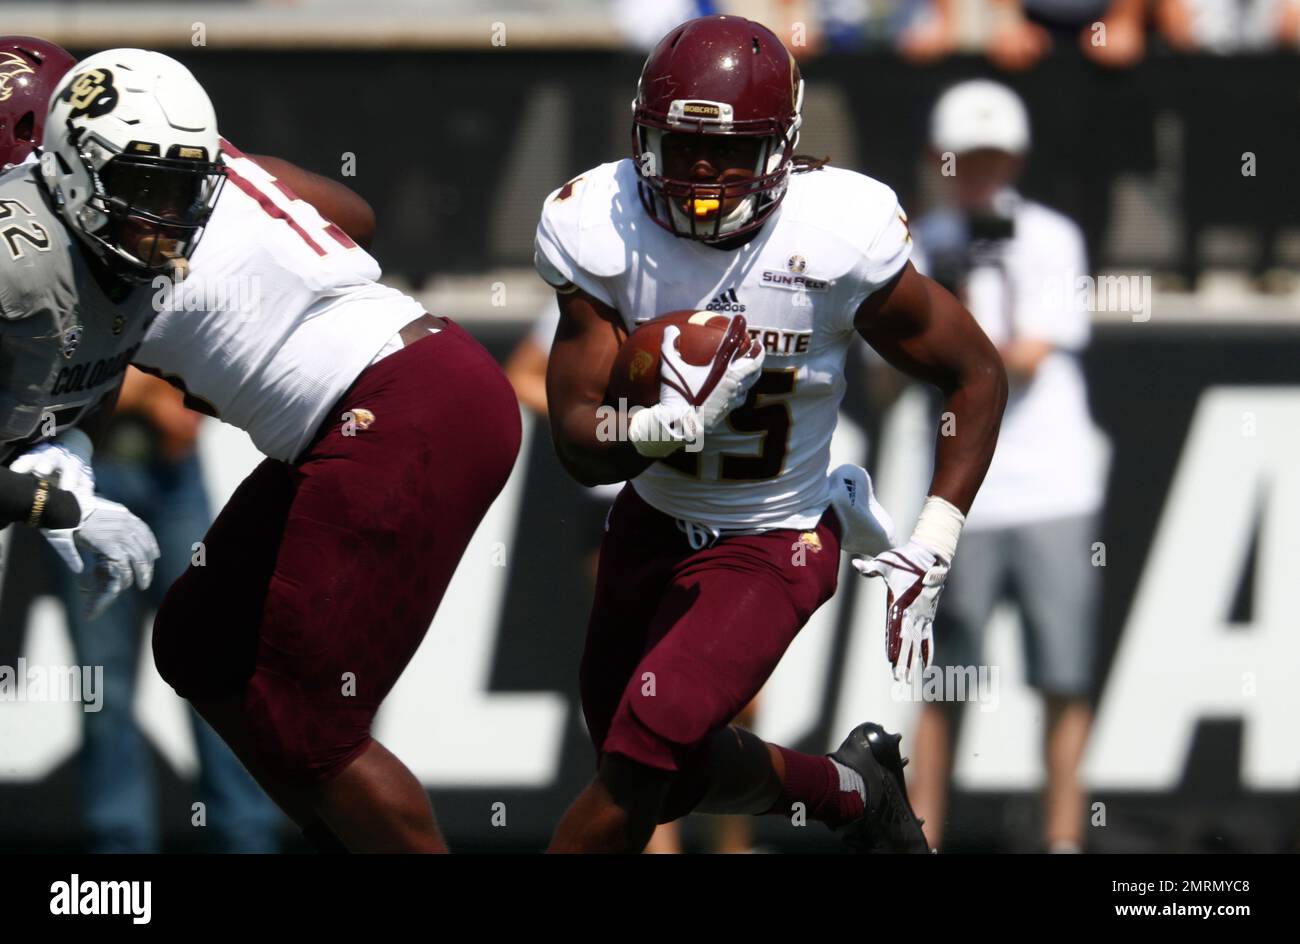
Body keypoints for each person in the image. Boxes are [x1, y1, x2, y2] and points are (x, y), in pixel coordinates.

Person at [12, 44, 522, 853]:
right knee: (202, 640)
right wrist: (238, 183)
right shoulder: (205, 171)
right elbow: (356, 214)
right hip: (417, 385)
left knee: (310, 723)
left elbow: (58, 402)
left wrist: (55, 466)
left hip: (395, 410)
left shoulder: (78, 249)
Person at [535, 14, 1007, 853]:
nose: (702, 177)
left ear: (784, 150)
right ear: (643, 137)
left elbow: (974, 373)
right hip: (649, 520)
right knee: (655, 773)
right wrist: (650, 431)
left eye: (729, 154)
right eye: (679, 149)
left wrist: (936, 535)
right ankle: (852, 792)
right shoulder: (596, 224)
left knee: (642, 760)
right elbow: (576, 438)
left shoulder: (838, 233)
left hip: (776, 536)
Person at [904, 79, 1105, 853]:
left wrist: (957, 312)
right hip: (963, 495)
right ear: (939, 160)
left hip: (1052, 486)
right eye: (965, 157)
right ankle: (922, 835)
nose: (979, 173)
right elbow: (901, 369)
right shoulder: (916, 244)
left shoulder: (1050, 237)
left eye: (992, 157)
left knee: (1062, 672)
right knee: (945, 677)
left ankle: (1063, 841)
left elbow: (1016, 358)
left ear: (1014, 159)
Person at [52, 368, 282, 852]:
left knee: (213, 673)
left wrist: (146, 392)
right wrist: (147, 390)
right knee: (104, 688)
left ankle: (247, 839)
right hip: (86, 484)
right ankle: (119, 850)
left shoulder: (179, 293)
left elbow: (207, 376)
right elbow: (55, 380)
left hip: (173, 479)